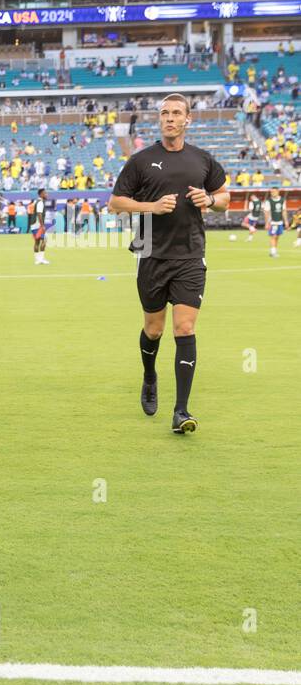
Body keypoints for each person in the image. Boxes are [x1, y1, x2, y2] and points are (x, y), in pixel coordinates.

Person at [108, 93, 228, 435]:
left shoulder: (203, 160)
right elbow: (115, 203)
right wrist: (151, 207)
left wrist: (211, 200)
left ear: (188, 119)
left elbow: (225, 198)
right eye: (164, 113)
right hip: (151, 255)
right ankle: (149, 376)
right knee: (154, 329)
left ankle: (181, 410)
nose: (170, 118)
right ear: (159, 119)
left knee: (185, 329)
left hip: (190, 256)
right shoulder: (141, 161)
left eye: (176, 113)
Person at [264, 186, 287, 258]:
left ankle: (274, 251)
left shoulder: (282, 200)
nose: (272, 193)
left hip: (279, 222)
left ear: (278, 192)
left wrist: (286, 221)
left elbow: (284, 211)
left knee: (277, 237)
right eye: (271, 192)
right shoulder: (268, 201)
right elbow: (266, 212)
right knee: (273, 236)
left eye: (273, 191)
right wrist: (267, 223)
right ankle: (273, 252)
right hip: (272, 222)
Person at [31, 188, 51, 265]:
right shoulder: (40, 202)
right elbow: (39, 214)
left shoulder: (37, 201)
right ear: (41, 194)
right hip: (37, 225)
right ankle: (41, 259)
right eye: (45, 193)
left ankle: (38, 260)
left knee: (37, 242)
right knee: (44, 240)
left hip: (34, 225)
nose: (47, 195)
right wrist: (42, 226)